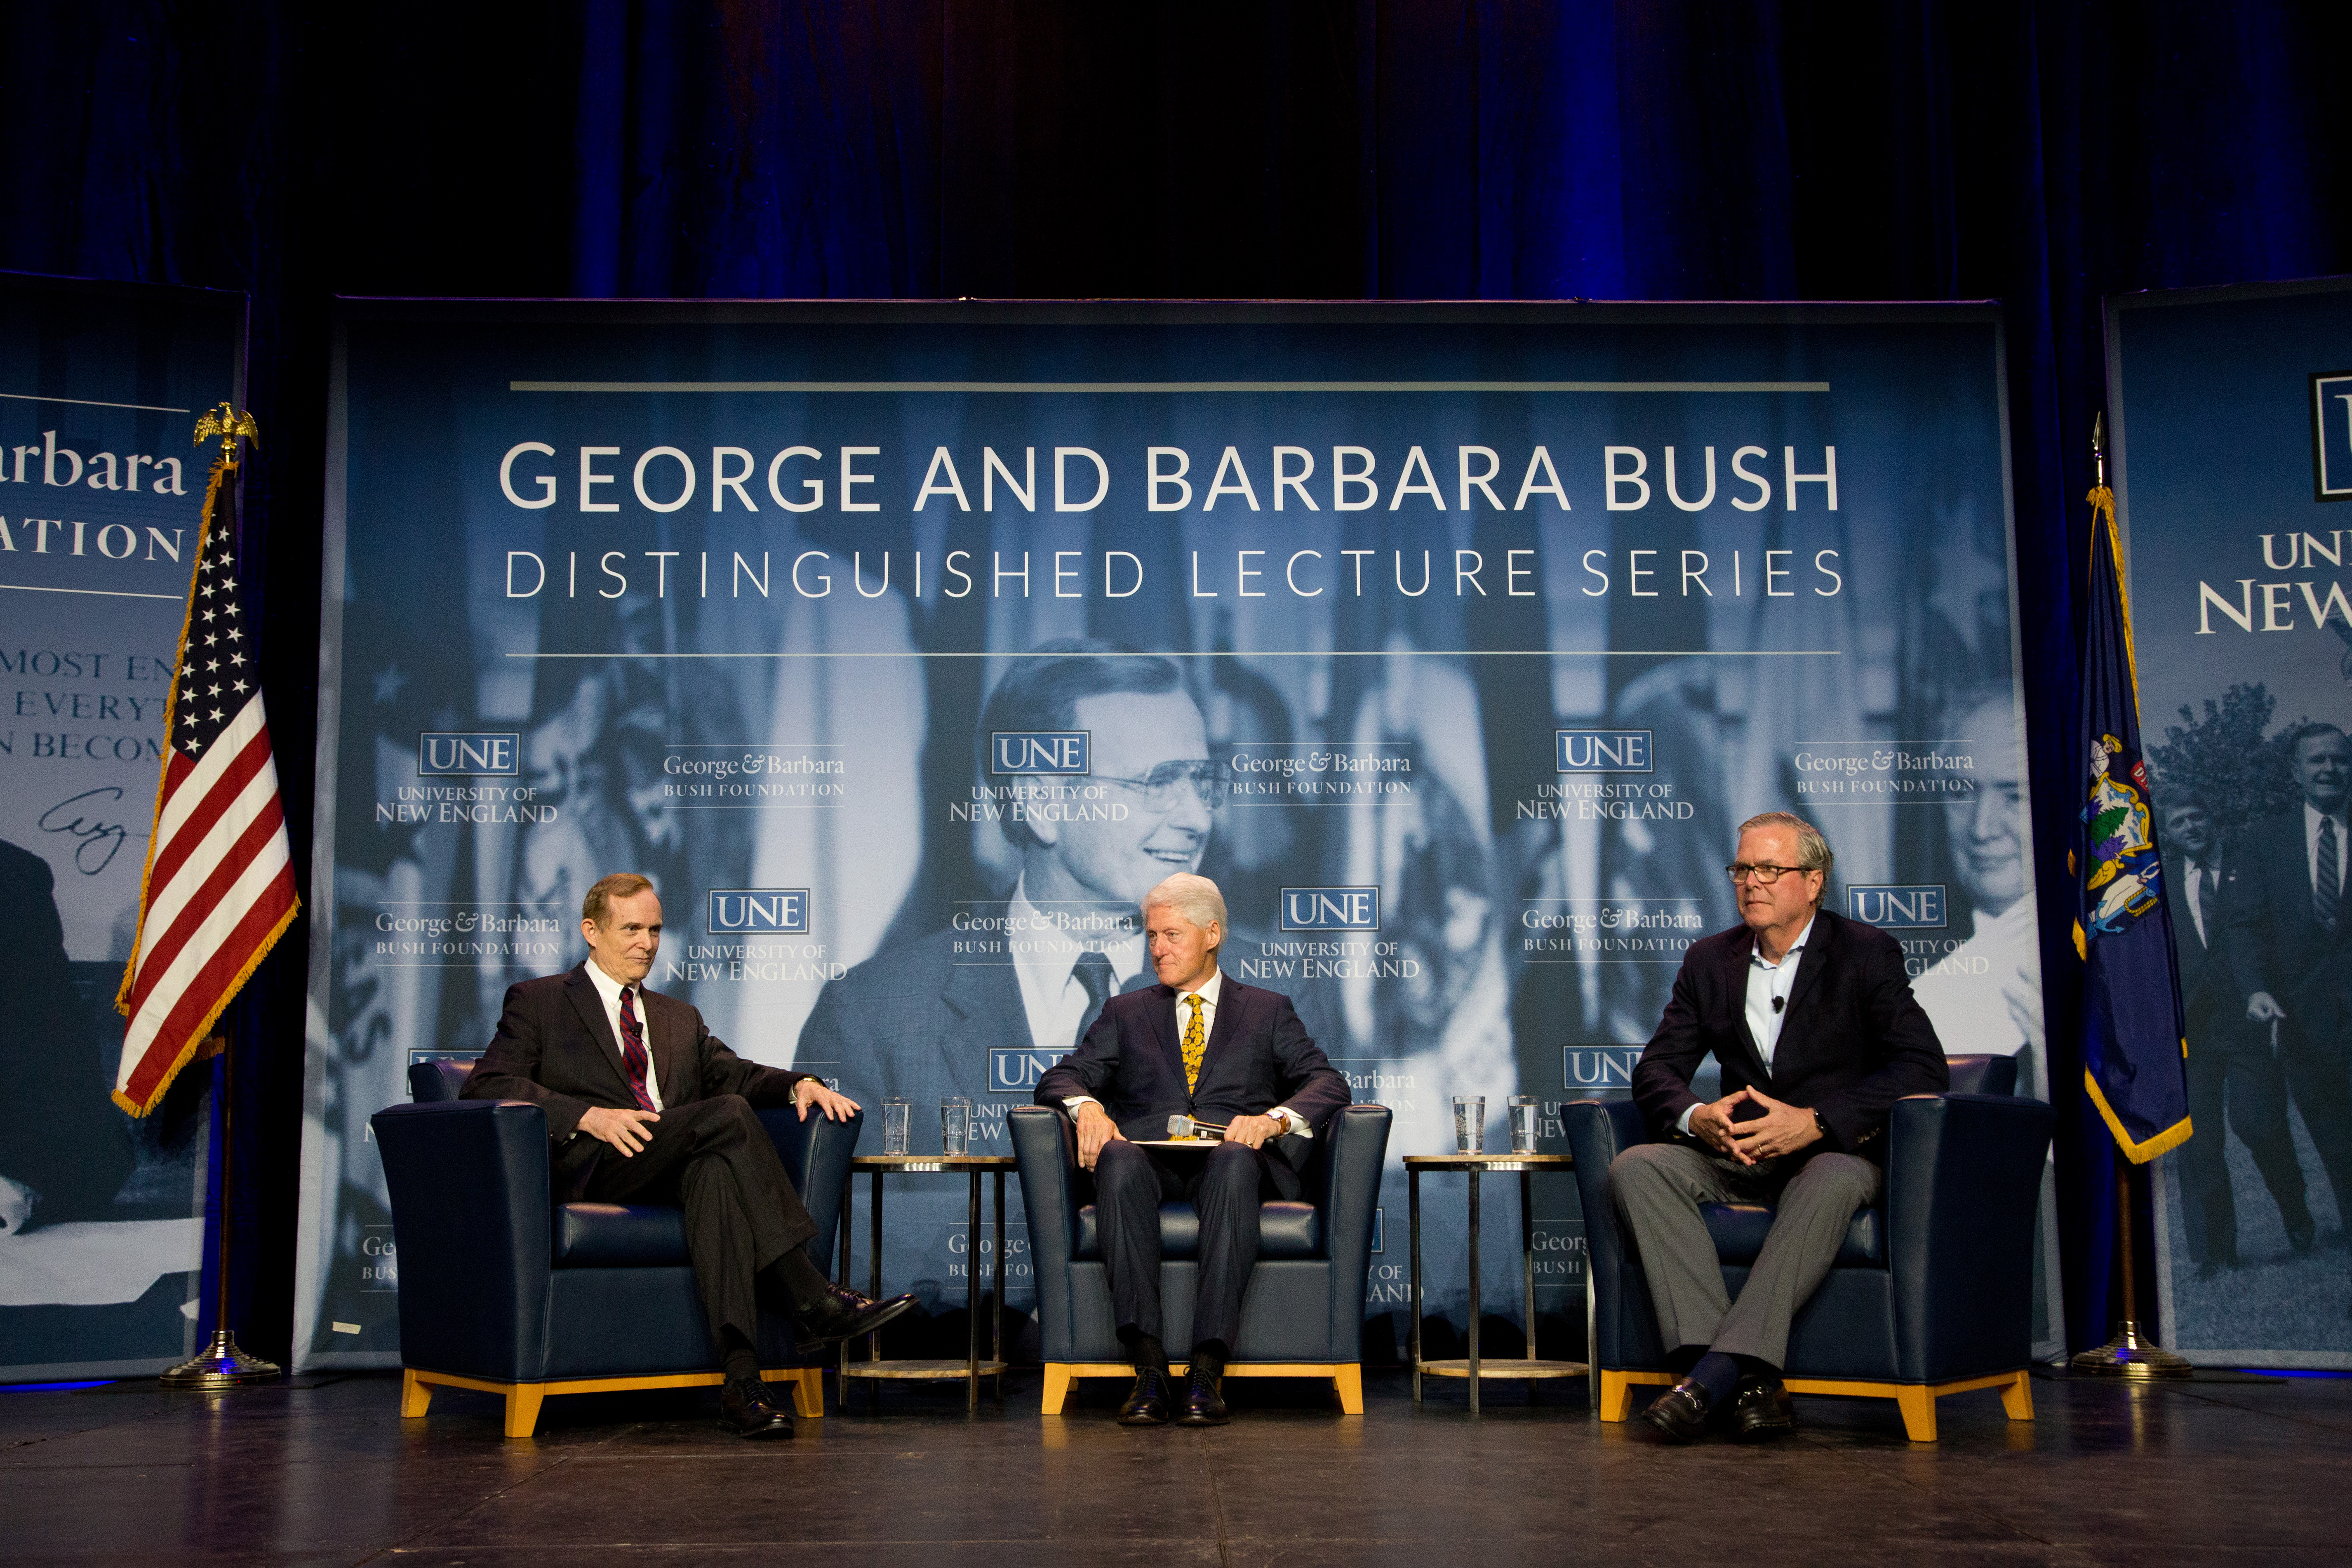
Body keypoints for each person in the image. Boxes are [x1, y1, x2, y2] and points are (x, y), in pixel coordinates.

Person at [465, 872, 915, 1438]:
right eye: (631, 929)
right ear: (592, 931)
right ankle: (808, 1292)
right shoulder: (541, 1001)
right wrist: (587, 1116)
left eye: (655, 930)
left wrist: (798, 1084)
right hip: (599, 1164)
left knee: (714, 1172)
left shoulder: (678, 1016)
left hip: (673, 1160)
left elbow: (736, 1074)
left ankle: (742, 1383)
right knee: (726, 1115)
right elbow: (486, 1084)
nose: (646, 943)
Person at [1612, 811, 1950, 1441]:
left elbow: (1922, 1066)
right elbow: (1657, 1068)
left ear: (1814, 881)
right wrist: (1696, 1115)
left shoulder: (1865, 952)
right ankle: (1742, 1378)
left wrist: (1817, 1121)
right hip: (1740, 1154)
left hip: (1834, 1154)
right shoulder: (1710, 960)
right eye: (1742, 868)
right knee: (1638, 1166)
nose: (1752, 882)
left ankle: (1710, 1375)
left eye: (1770, 868)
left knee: (1831, 1179)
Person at [1034, 871, 1350, 1427]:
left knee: (1232, 1160)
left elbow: (1327, 1083)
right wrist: (1089, 1108)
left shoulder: (1267, 1009)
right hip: (1149, 1162)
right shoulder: (1126, 1011)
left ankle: (1206, 1369)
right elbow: (1061, 1077)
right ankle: (1149, 1368)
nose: (1157, 948)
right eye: (1152, 935)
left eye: (1172, 935)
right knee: (1117, 1158)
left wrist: (1272, 1121)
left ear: (1212, 934)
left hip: (1233, 1163)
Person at [2161, 794, 2312, 1272]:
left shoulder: (2247, 864)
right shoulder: (2158, 880)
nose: (2190, 826)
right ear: (2169, 832)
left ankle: (2294, 1204)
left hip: (2248, 1016)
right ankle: (2218, 1254)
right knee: (2200, 1145)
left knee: (2258, 1124)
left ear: (2212, 818)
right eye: (2179, 822)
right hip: (2191, 1029)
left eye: (2196, 816)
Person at [2227, 723, 2352, 1277]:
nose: (2329, 768)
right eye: (2316, 760)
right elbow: (2247, 926)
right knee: (2337, 1145)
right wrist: (2256, 987)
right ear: (2296, 771)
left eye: (2339, 759)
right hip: (2305, 1021)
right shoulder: (2265, 841)